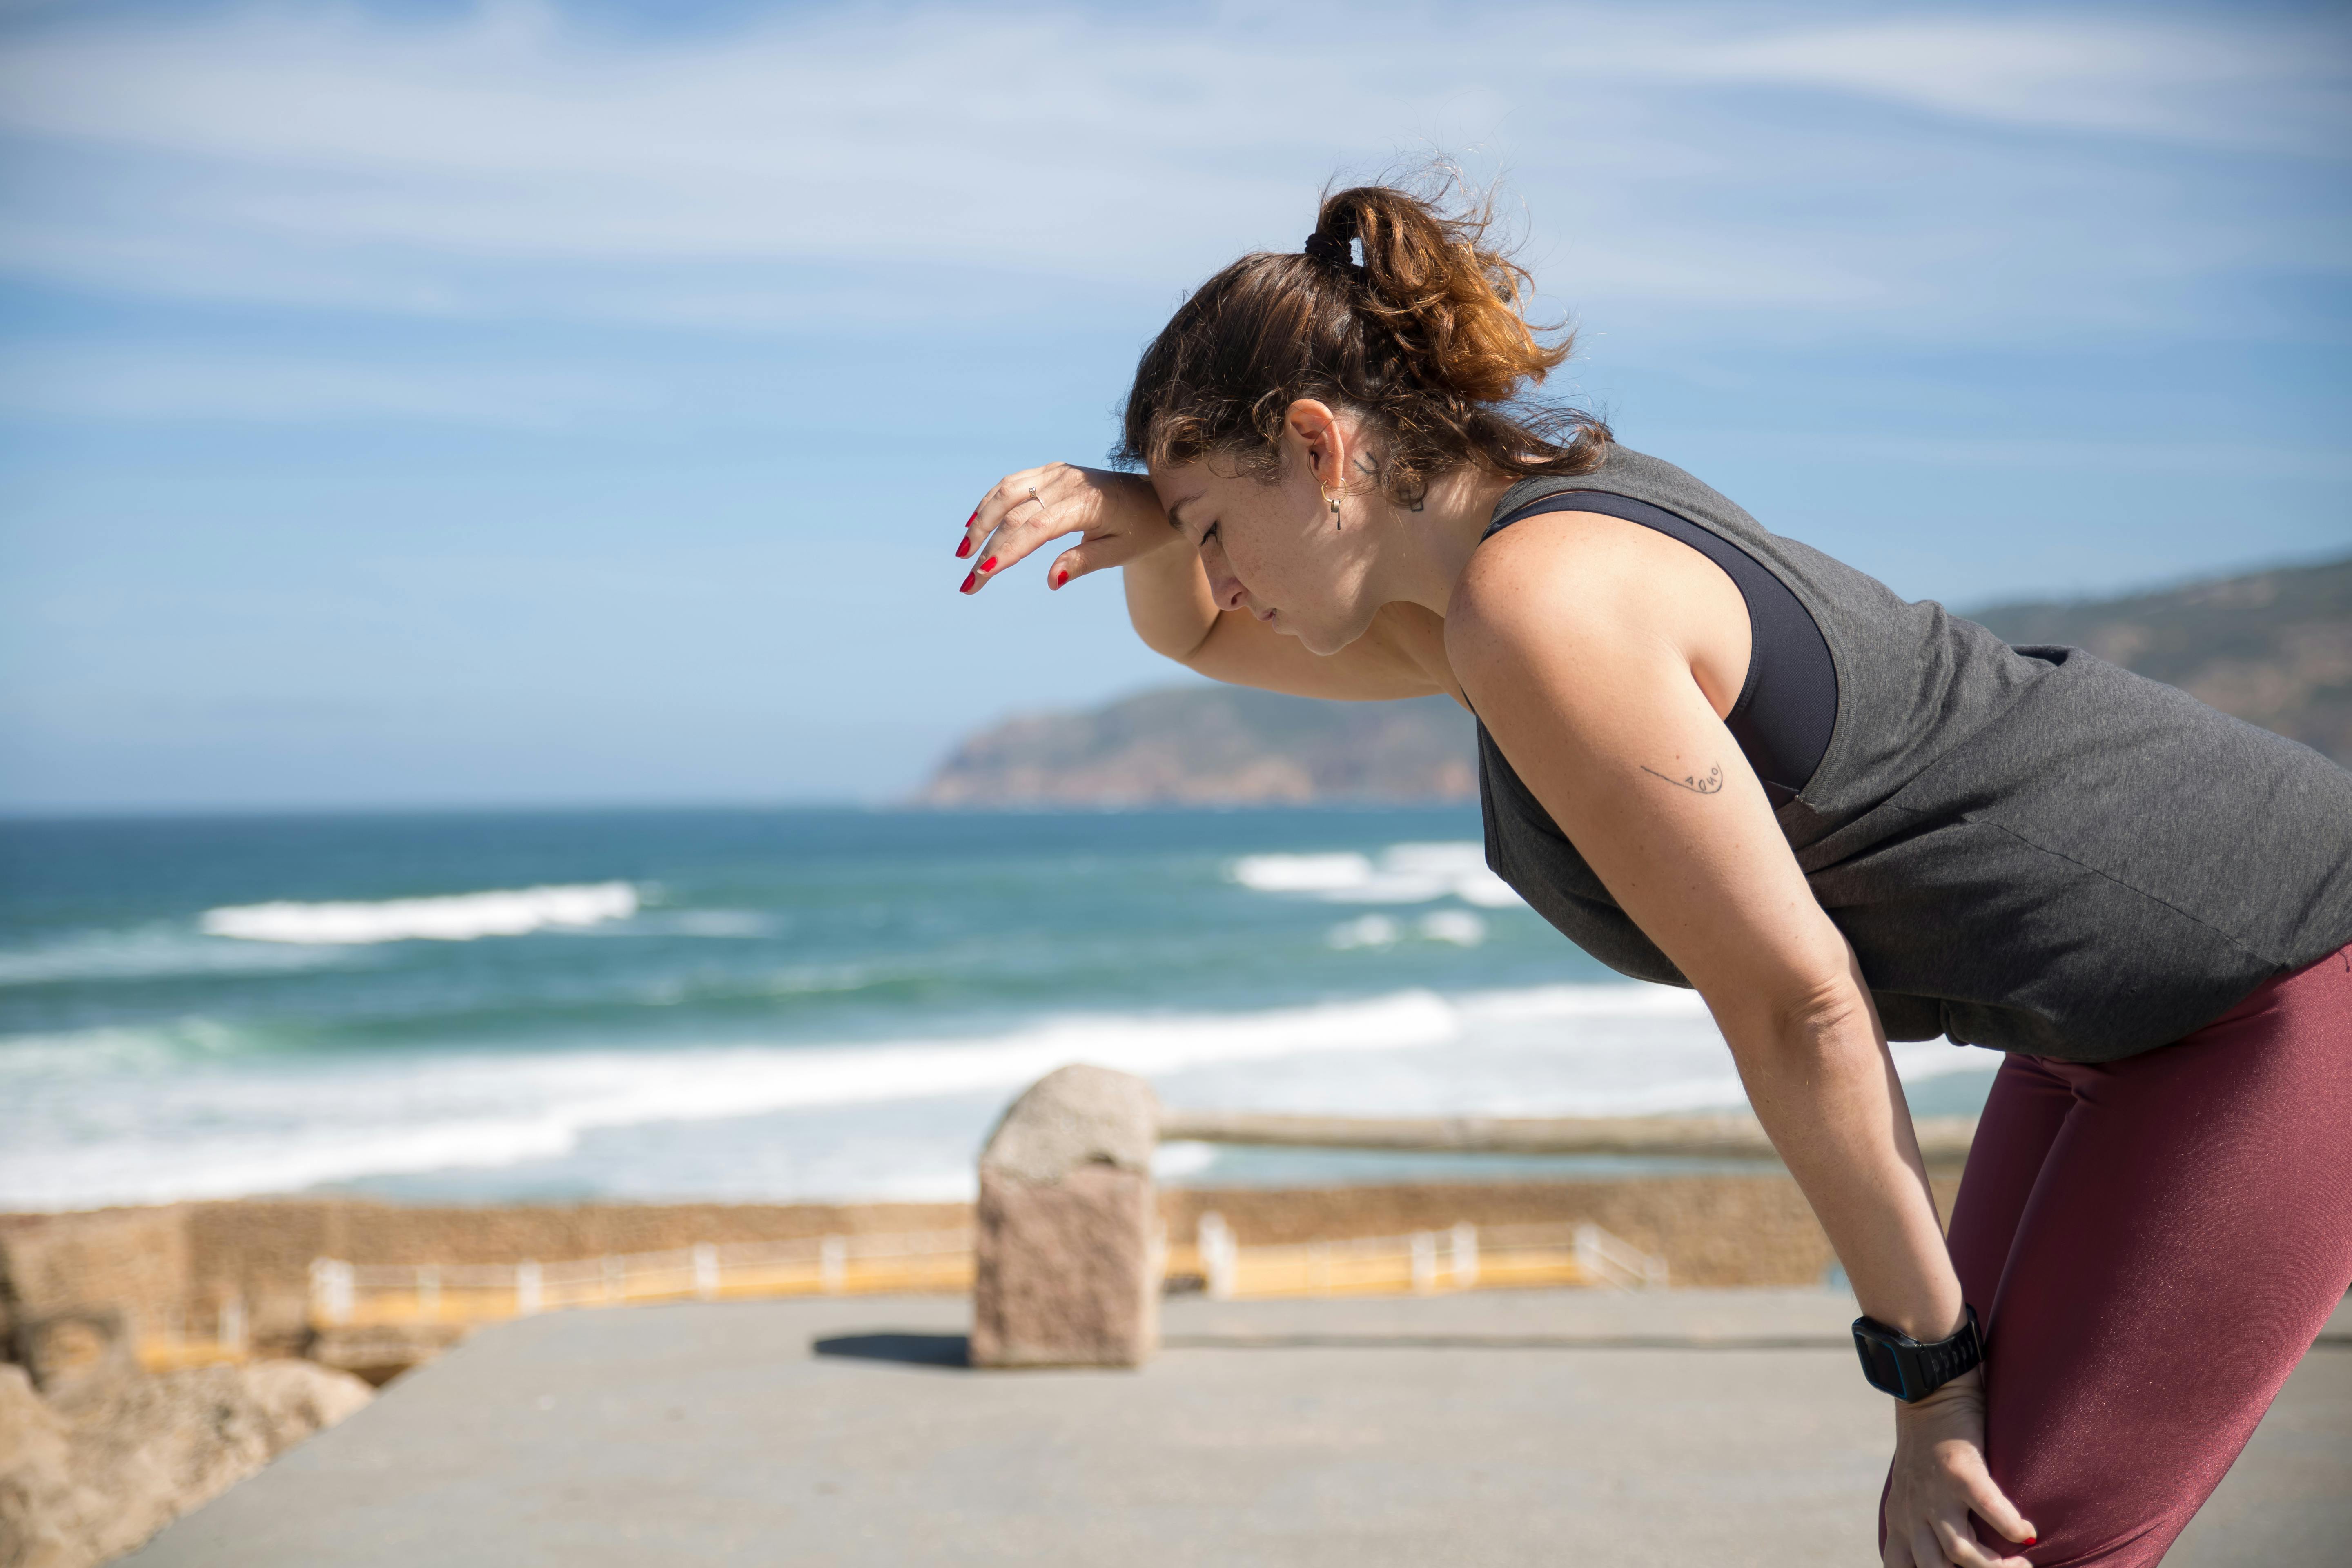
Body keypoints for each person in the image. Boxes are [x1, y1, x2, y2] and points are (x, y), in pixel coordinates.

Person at [951, 176, 2352, 1568]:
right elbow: (1203, 643)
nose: (1217, 571)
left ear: (1321, 448)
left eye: (1213, 530)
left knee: (2010, 1543)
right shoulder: (1518, 559)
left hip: (2274, 978)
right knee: (1966, 1540)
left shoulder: (1537, 610)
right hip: (2108, 1022)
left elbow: (1797, 999)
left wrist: (1925, 1381)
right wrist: (1143, 512)